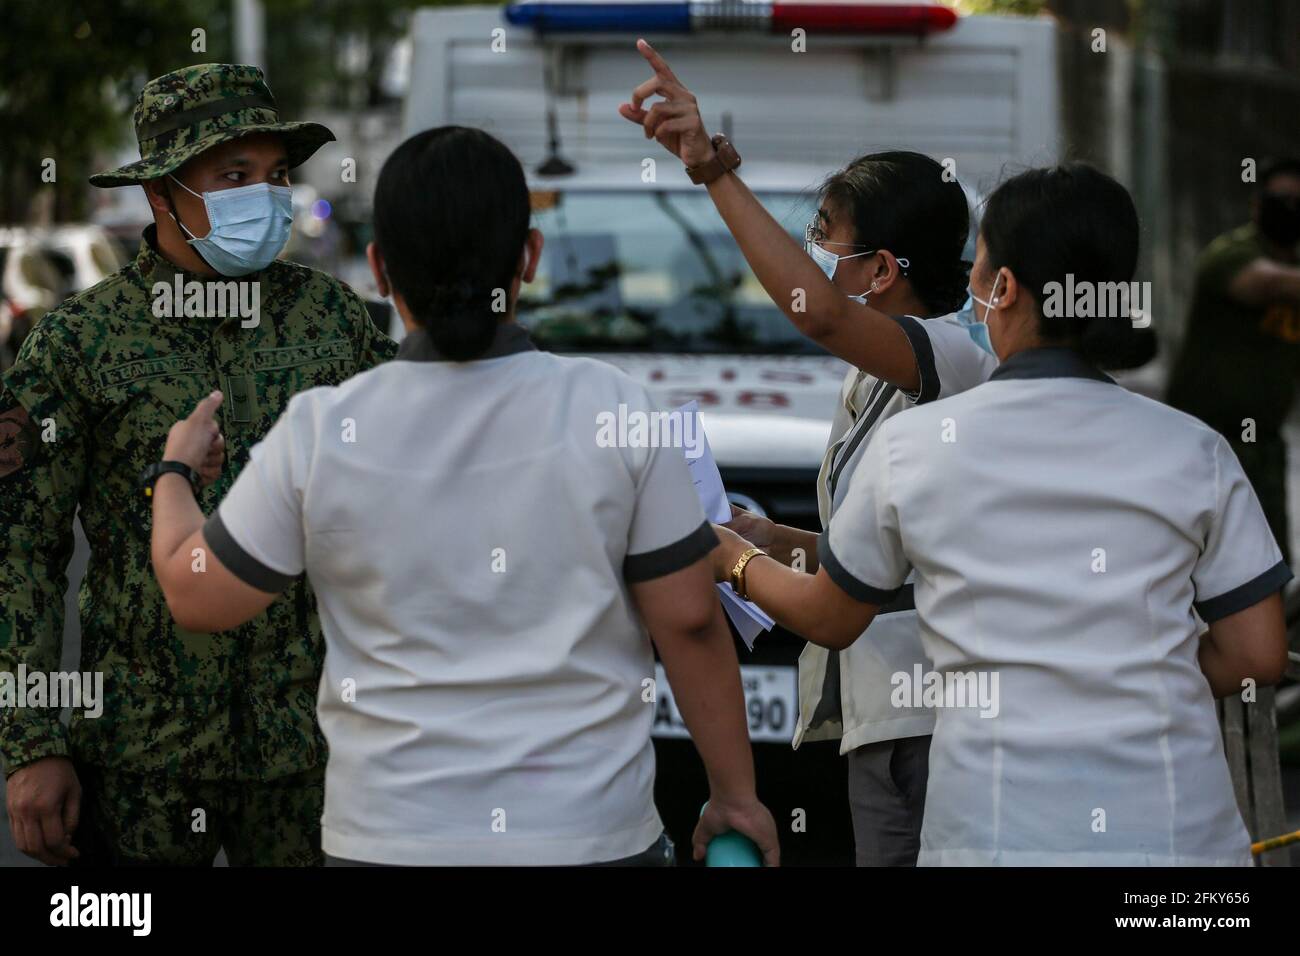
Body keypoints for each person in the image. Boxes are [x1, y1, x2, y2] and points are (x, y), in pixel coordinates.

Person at [149, 126, 781, 867]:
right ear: (531, 258)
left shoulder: (324, 429)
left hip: (390, 839)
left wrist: (176, 475)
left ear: (380, 271)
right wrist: (735, 796)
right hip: (590, 836)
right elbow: (690, 622)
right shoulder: (616, 408)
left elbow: (197, 595)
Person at [708, 162, 1290, 865]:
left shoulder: (918, 445)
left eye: (978, 272)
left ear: (1005, 288)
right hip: (1179, 843)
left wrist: (730, 559)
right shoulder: (1199, 451)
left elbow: (832, 615)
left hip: (996, 833)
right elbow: (1257, 655)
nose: (969, 292)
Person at [0, 64, 396, 867]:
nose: (267, 193)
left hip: (306, 746)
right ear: (162, 194)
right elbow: (21, 552)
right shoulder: (79, 341)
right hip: (137, 754)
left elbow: (418, 473)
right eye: (235, 175)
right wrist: (31, 743)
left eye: (277, 174)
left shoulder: (332, 319)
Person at [619, 40, 996, 865]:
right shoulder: (877, 381)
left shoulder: (957, 357)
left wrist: (712, 173)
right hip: (884, 716)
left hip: (936, 720)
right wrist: (780, 543)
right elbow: (898, 559)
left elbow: (816, 314)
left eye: (825, 240)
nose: (813, 257)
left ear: (884, 270)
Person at [1166, 157, 1300, 564]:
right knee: (1193, 560)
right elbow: (1266, 283)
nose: (1290, 207)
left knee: (1269, 566)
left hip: (1265, 444)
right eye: (1281, 199)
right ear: (1257, 204)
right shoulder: (1230, 255)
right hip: (1204, 437)